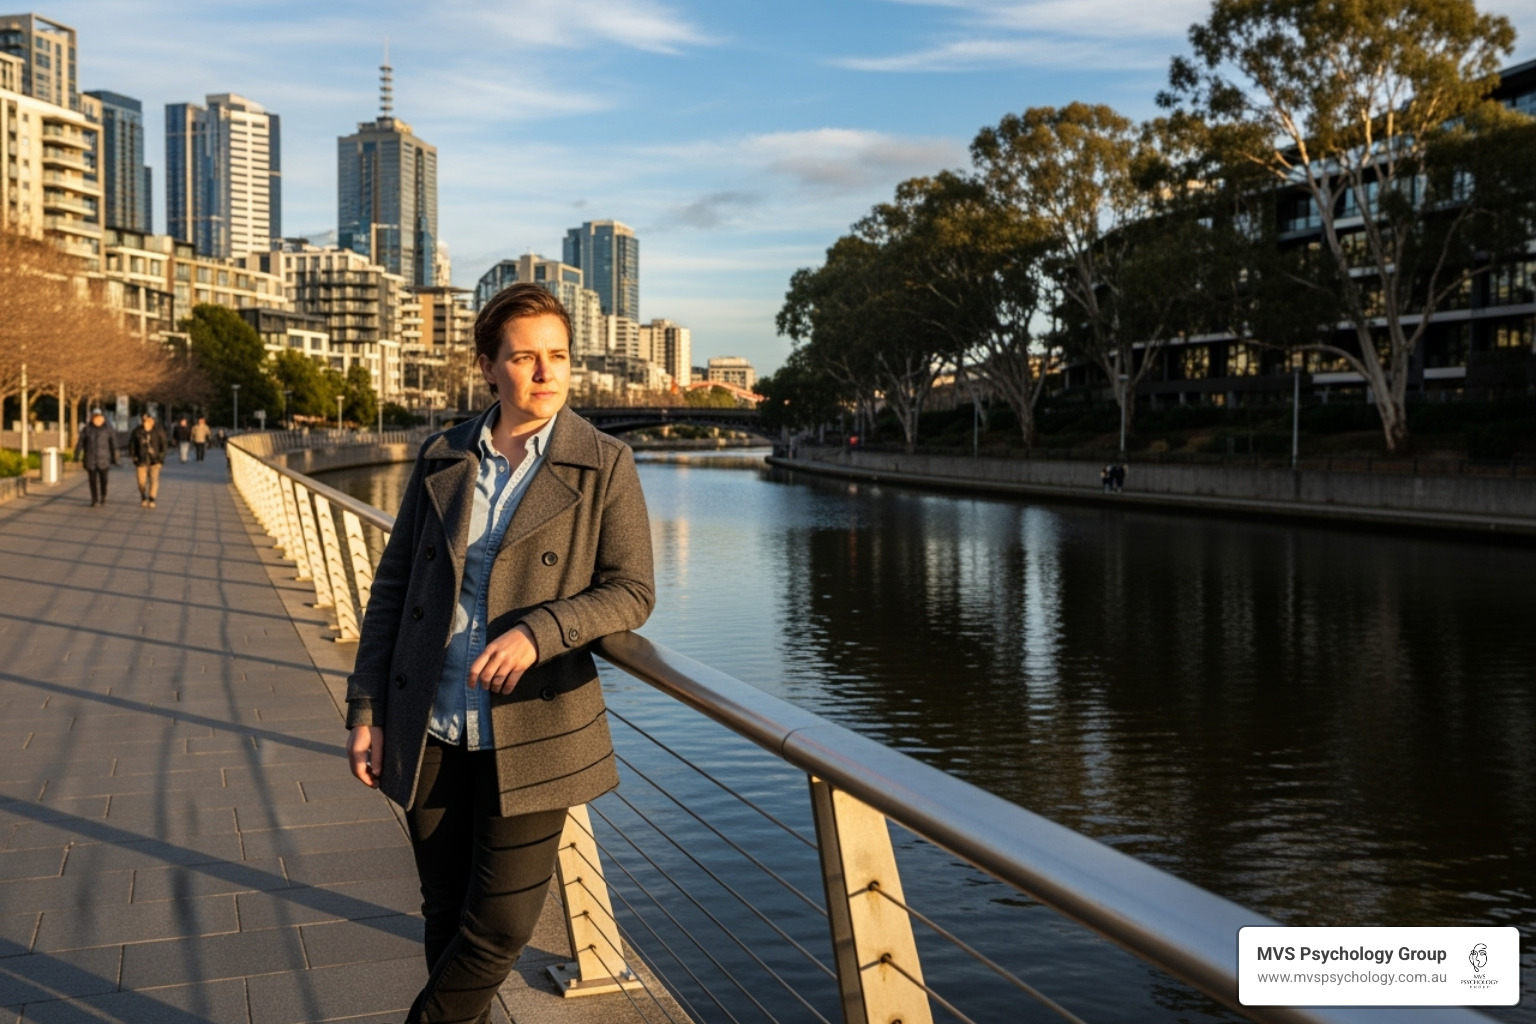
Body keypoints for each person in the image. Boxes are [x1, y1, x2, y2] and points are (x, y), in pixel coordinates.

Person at [345, 283, 654, 1024]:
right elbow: (392, 590)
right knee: (445, 915)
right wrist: (366, 708)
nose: (546, 373)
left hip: (534, 727)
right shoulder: (445, 454)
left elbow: (632, 591)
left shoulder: (604, 461)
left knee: (498, 932)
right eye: (524, 357)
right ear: (487, 365)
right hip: (431, 721)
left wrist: (541, 631)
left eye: (559, 356)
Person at [74, 407, 118, 506]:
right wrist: (77, 454)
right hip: (91, 457)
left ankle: (103, 495)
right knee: (92, 480)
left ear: (103, 418)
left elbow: (113, 443)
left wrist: (115, 456)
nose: (97, 420)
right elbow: (81, 443)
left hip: (104, 458)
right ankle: (94, 498)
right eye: (95, 418)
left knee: (104, 479)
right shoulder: (87, 429)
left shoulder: (108, 429)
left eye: (99, 418)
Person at [129, 412, 168, 508]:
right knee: (141, 481)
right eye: (144, 421)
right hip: (141, 460)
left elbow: (164, 444)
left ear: (152, 421)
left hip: (155, 460)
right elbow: (132, 445)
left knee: (154, 480)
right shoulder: (137, 431)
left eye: (148, 421)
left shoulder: (158, 431)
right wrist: (134, 456)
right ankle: (143, 496)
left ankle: (152, 498)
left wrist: (161, 456)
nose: (146, 423)